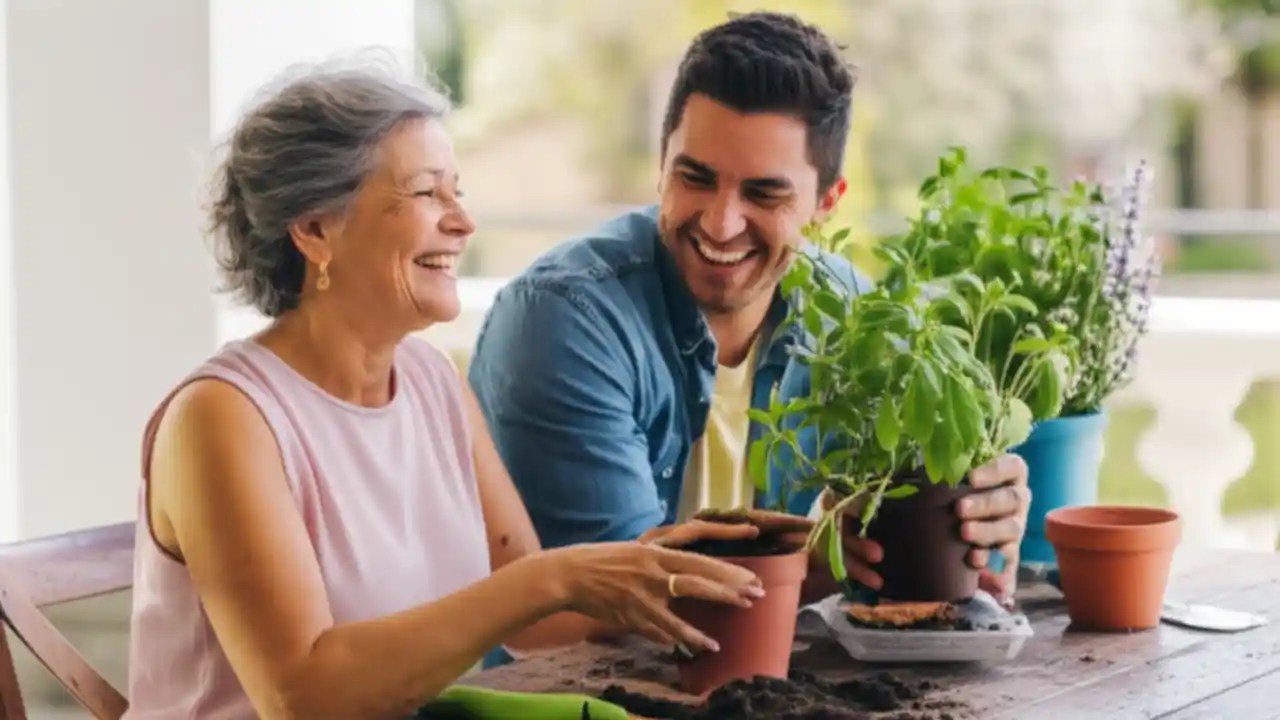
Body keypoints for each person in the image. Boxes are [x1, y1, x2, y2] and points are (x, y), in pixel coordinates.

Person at [122, 59, 775, 720]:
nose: (463, 220)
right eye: (428, 193)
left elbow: (537, 622)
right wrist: (551, 578)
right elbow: (304, 695)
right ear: (316, 228)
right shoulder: (223, 418)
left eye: (456, 191)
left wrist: (676, 569)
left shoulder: (432, 383)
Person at [467, 11, 1032, 603]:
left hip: (770, 682)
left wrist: (974, 510)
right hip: (574, 689)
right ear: (662, 167)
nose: (720, 222)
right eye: (696, 178)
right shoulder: (565, 320)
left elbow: (892, 512)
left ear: (826, 202)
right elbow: (609, 604)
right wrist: (819, 561)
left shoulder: (851, 316)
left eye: (764, 193)